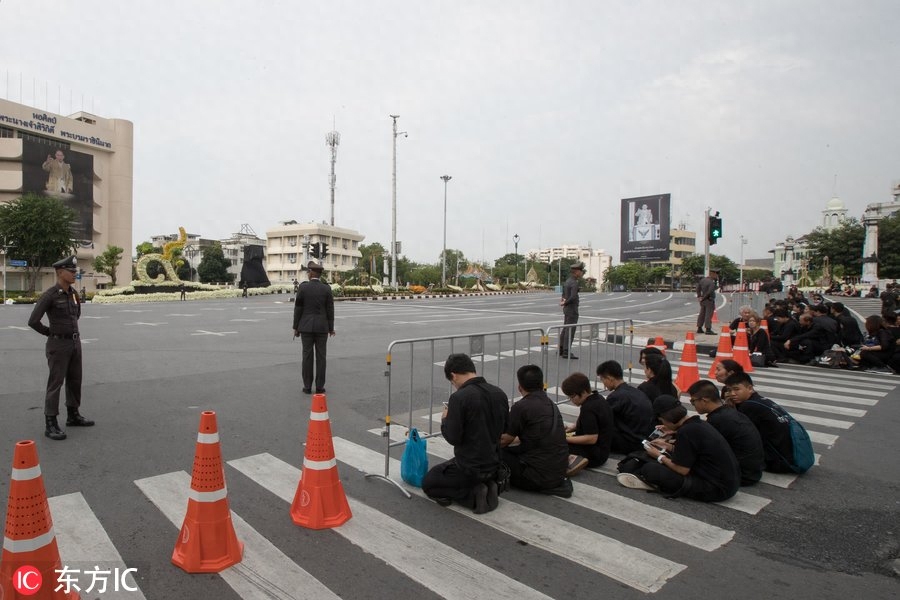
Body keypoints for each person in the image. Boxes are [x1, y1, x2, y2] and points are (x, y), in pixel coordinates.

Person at [422, 354, 510, 513]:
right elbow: (505, 429)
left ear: (453, 375)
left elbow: (453, 437)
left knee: (429, 482)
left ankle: (472, 495)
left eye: (451, 381)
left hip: (469, 467)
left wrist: (445, 420)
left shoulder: (459, 398)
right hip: (494, 463)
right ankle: (489, 484)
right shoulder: (499, 393)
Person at [616, 395, 740, 502]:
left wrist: (659, 456)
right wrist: (668, 446)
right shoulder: (697, 424)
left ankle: (652, 483)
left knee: (650, 469)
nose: (663, 425)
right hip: (729, 484)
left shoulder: (686, 432)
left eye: (663, 421)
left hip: (715, 489)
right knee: (657, 462)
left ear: (668, 419)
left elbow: (682, 470)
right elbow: (693, 451)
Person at [27, 255, 95, 441]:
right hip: (58, 344)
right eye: (71, 271)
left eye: (75, 271)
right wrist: (50, 332)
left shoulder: (73, 293)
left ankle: (73, 415)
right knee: (55, 383)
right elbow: (33, 321)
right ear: (59, 273)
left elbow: (76, 314)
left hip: (74, 342)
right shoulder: (50, 294)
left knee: (75, 380)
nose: (74, 274)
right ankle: (51, 422)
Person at [500, 365, 570, 496]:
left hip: (536, 478)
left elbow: (505, 440)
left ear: (520, 386)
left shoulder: (521, 406)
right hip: (559, 472)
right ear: (542, 384)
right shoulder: (551, 404)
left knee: (496, 453)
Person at [687, 380, 764, 486]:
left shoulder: (717, 420)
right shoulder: (727, 412)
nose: (693, 405)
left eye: (693, 401)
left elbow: (702, 449)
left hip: (741, 475)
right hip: (753, 471)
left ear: (704, 400)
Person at [724, 372, 795, 473]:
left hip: (779, 461)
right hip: (790, 456)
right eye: (729, 390)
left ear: (749, 388)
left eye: (736, 389)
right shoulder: (762, 400)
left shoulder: (748, 406)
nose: (732, 394)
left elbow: (739, 434)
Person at [292, 261, 335, 394]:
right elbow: (330, 310)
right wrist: (331, 328)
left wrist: (296, 327)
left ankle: (307, 386)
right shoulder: (326, 288)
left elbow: (298, 308)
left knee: (307, 357)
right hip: (322, 327)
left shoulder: (303, 288)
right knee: (321, 357)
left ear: (311, 273)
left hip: (306, 327)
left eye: (309, 272)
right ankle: (320, 387)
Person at [560, 372, 614, 472]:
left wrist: (564, 439)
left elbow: (591, 438)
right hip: (603, 450)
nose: (571, 400)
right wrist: (573, 428)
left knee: (555, 444)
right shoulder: (598, 398)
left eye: (572, 396)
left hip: (594, 454)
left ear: (584, 392)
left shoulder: (588, 408)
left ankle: (572, 460)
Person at [596, 360, 654, 453]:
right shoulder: (636, 392)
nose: (603, 384)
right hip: (641, 438)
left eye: (602, 379)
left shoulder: (616, 396)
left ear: (609, 378)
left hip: (629, 442)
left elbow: (600, 418)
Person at [558, 261, 584, 359]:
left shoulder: (568, 281)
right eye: (581, 271)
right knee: (570, 330)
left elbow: (564, 294)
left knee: (565, 329)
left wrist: (564, 302)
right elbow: (573, 297)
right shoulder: (574, 282)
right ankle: (566, 351)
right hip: (572, 309)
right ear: (576, 272)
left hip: (567, 309)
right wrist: (566, 302)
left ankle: (561, 349)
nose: (581, 273)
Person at [696, 269, 718, 335]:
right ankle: (708, 329)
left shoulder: (702, 280)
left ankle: (699, 328)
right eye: (716, 275)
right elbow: (710, 291)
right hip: (709, 300)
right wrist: (704, 298)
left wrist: (699, 296)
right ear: (713, 274)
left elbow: (698, 289)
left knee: (702, 314)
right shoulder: (711, 282)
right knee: (708, 315)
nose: (717, 276)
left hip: (703, 300)